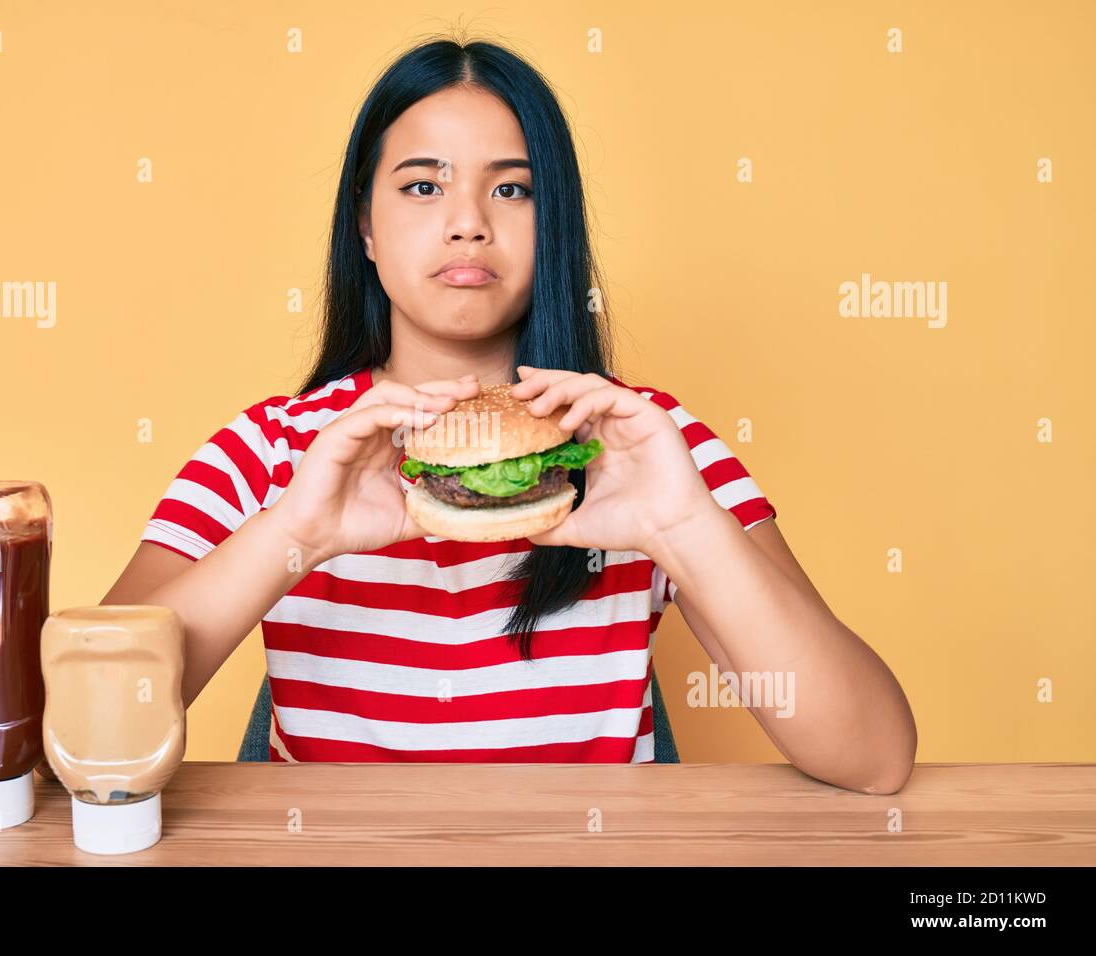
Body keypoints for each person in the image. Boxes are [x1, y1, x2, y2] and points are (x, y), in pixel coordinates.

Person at [103, 37, 916, 790]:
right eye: (423, 186)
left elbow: (874, 756)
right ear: (365, 227)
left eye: (512, 189)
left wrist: (683, 531)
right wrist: (294, 536)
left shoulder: (642, 441)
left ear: (552, 222)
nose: (468, 224)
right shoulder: (269, 448)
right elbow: (93, 732)